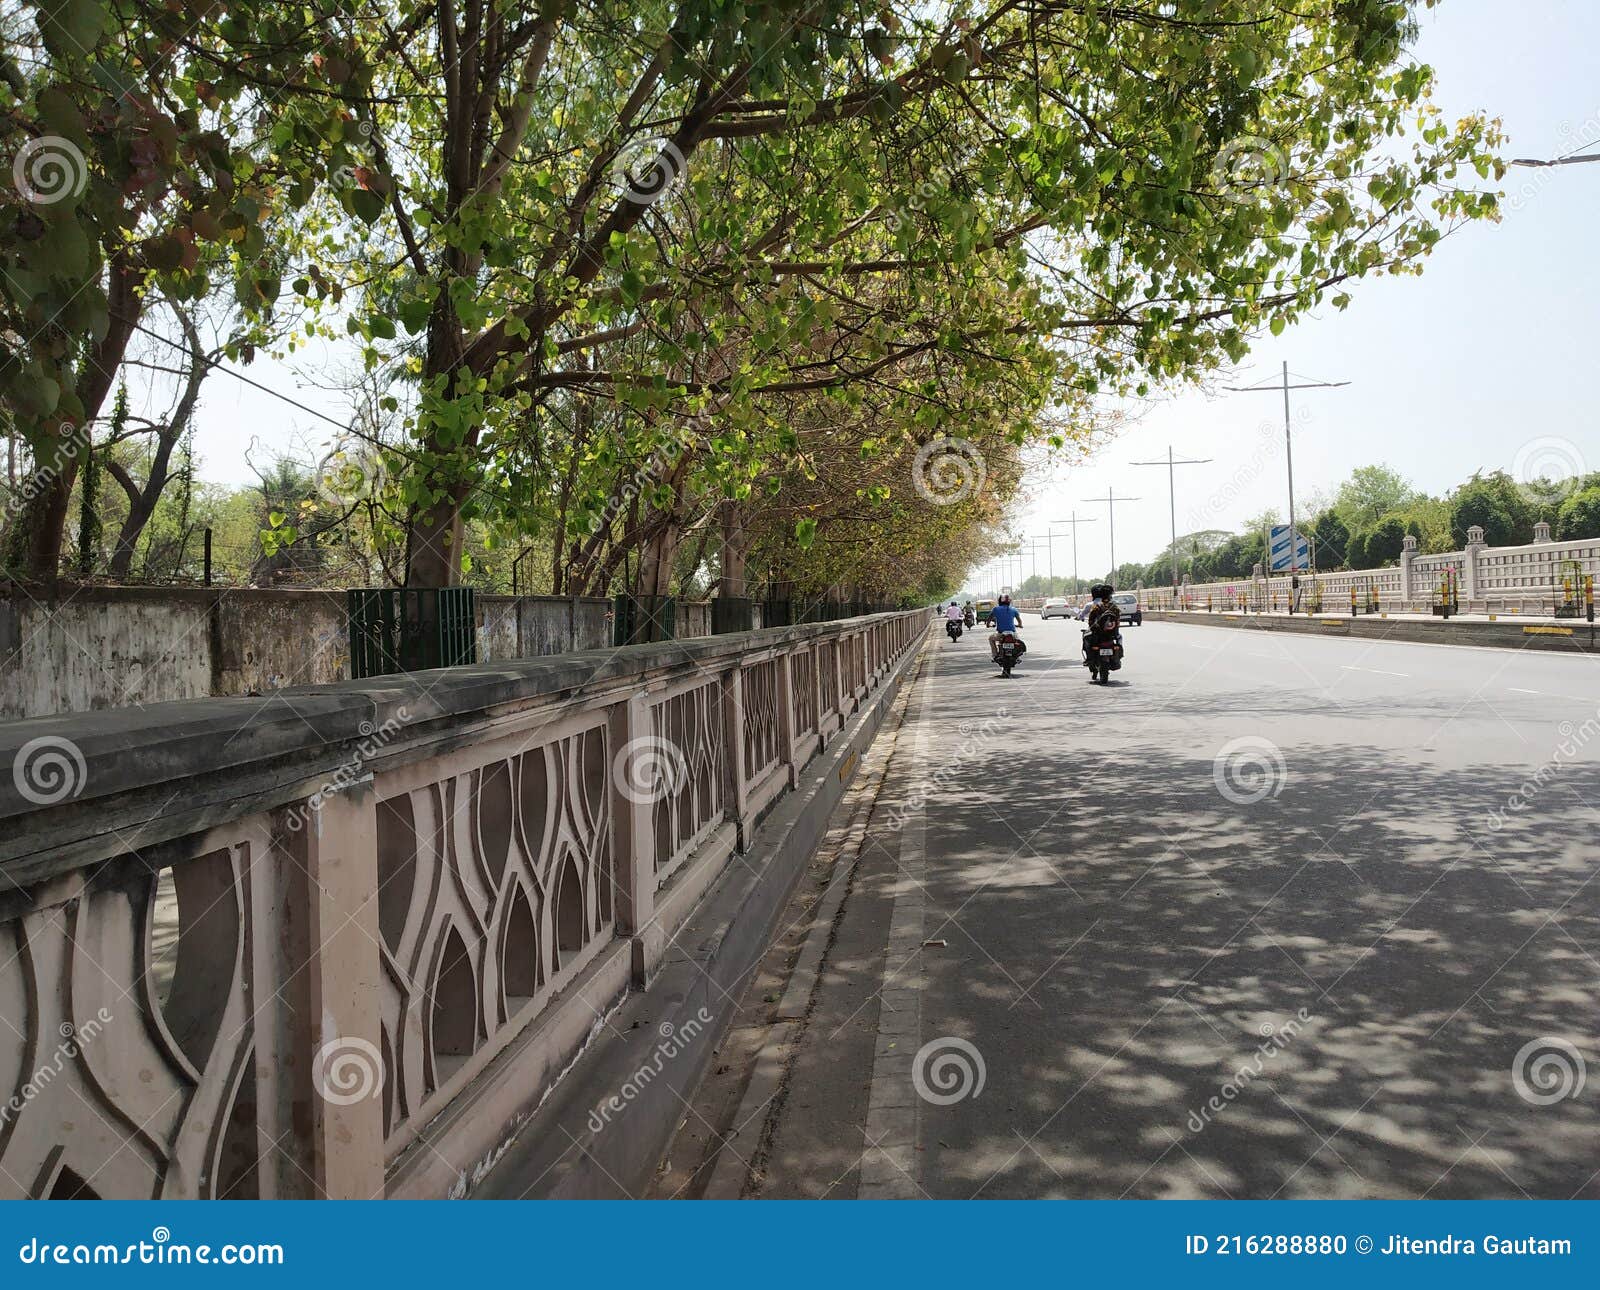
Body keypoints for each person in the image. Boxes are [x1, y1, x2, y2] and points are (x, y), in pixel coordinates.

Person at [987, 593, 1023, 660]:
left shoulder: (995, 609)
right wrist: (1020, 625)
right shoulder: (1013, 609)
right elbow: (1019, 621)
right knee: (1018, 641)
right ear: (1009, 601)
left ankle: (994, 655)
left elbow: (989, 619)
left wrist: (988, 625)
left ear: (999, 601)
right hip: (1012, 633)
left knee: (991, 638)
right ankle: (1017, 656)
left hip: (1001, 634)